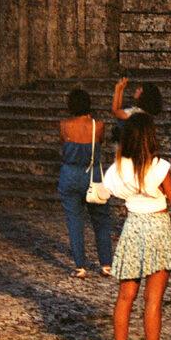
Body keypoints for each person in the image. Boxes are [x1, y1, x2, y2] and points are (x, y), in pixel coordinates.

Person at [102, 111, 171, 340]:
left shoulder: (117, 167)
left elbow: (110, 191)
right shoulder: (158, 166)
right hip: (157, 227)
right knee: (153, 300)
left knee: (125, 296)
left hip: (132, 227)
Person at [57, 87, 113, 278]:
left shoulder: (64, 125)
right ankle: (106, 263)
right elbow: (101, 142)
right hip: (93, 174)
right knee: (101, 221)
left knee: (75, 222)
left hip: (70, 174)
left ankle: (80, 266)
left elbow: (63, 144)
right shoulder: (99, 125)